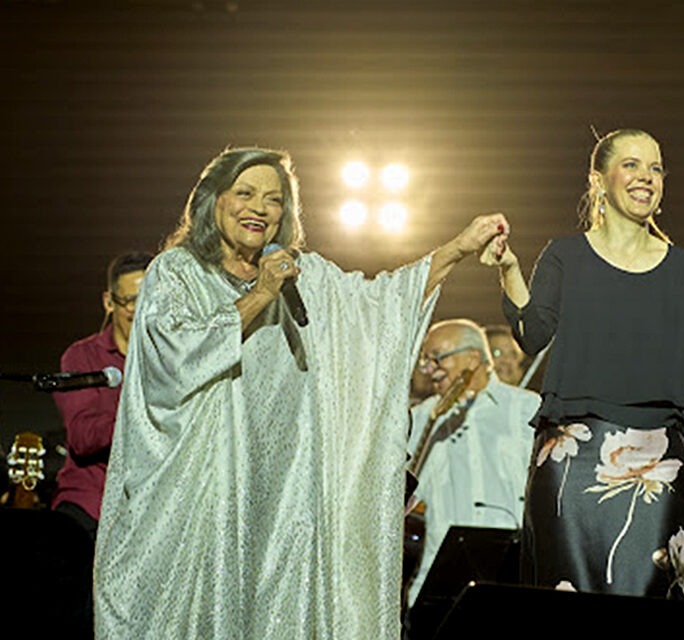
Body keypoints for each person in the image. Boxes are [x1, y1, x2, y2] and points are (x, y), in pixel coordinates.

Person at [93, 147, 508, 639]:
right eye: (245, 193)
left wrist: (457, 249)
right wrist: (261, 294)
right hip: (203, 499)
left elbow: (381, 306)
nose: (260, 208)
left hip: (282, 500)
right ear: (213, 200)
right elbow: (176, 357)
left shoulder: (302, 276)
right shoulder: (177, 272)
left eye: (273, 199)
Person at [482, 128, 684, 600]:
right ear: (598, 180)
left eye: (656, 167)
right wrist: (509, 269)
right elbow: (531, 335)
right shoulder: (564, 255)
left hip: (662, 459)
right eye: (632, 165)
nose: (647, 177)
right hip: (572, 459)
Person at [405, 319, 539, 608]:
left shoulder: (528, 409)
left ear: (473, 358)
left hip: (513, 578)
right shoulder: (419, 419)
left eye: (437, 357)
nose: (429, 369)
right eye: (424, 361)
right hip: (439, 585)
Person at [50, 251, 153, 541]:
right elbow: (83, 438)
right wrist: (150, 413)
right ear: (109, 302)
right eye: (132, 301)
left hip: (151, 507)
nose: (142, 310)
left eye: (150, 300)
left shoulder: (172, 358)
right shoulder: (81, 357)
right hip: (91, 506)